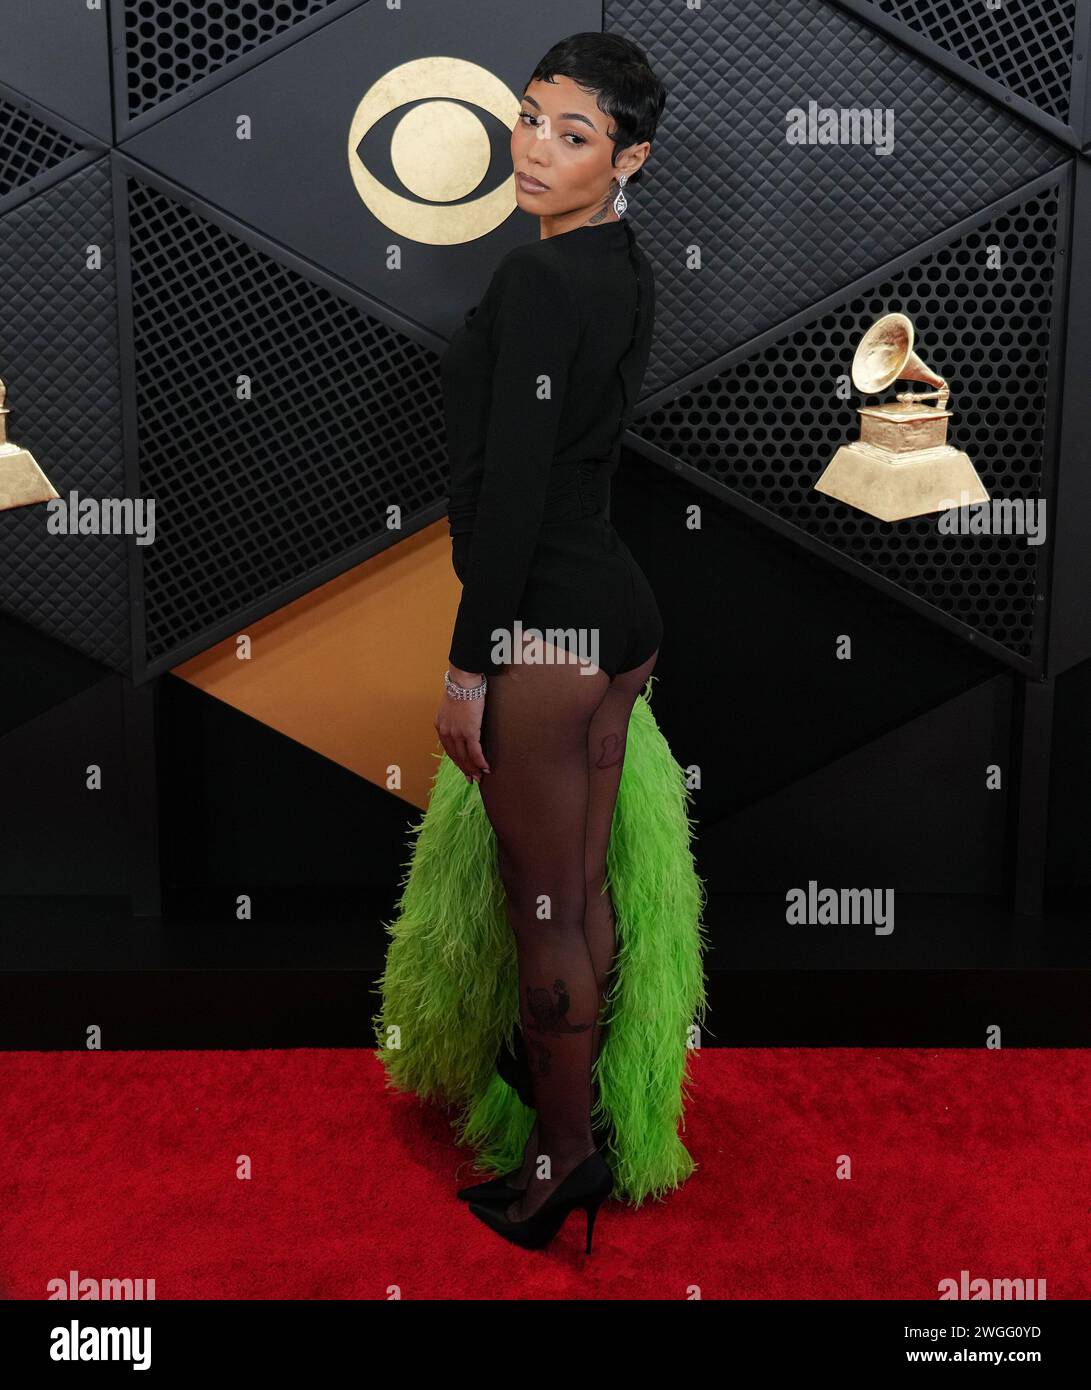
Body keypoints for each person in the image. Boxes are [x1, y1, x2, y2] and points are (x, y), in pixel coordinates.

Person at [374, 33, 707, 1255]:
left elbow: (509, 501)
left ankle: (559, 1156)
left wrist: (469, 665)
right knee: (586, 888)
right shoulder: (620, 262)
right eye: (527, 118)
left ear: (629, 156)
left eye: (573, 135)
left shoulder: (539, 282)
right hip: (616, 624)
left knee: (543, 910)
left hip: (550, 630)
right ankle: (591, 1126)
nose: (534, 149)